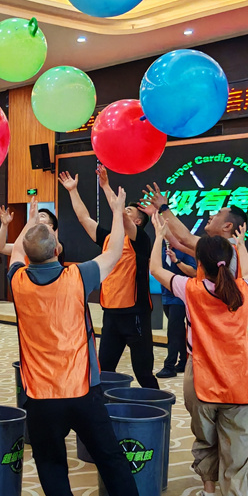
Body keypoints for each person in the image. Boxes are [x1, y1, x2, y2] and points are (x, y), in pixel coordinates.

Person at [10, 190, 163, 496]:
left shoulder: (16, 280)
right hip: (83, 392)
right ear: (58, 250)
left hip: (40, 397)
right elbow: (114, 251)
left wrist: (31, 221)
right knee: (111, 461)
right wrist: (117, 209)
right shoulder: (78, 275)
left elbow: (18, 250)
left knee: (51, 465)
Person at [141, 185, 248, 484]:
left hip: (220, 342)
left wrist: (164, 209)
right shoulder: (220, 253)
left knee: (233, 407)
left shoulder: (228, 250)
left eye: (218, 213)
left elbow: (185, 240)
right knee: (233, 405)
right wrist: (160, 221)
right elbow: (179, 241)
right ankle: (247, 463)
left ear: (228, 227)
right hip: (219, 343)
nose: (211, 214)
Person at [149, 213, 248, 496]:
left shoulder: (191, 289)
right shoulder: (242, 291)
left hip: (201, 381)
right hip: (238, 385)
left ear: (200, 263)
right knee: (237, 452)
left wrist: (158, 236)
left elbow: (155, 270)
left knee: (205, 440)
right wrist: (241, 246)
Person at [60, 166, 158, 389]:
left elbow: (120, 215)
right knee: (104, 370)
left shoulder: (140, 240)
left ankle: (155, 406)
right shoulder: (108, 238)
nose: (124, 212)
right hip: (111, 314)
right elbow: (84, 218)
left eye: (129, 211)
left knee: (143, 373)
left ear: (138, 222)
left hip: (135, 315)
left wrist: (105, 187)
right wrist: (72, 191)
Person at [157, 243, 196, 378]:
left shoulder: (185, 250)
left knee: (173, 331)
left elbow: (193, 271)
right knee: (178, 331)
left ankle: (169, 366)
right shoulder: (162, 249)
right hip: (166, 295)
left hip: (180, 296)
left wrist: (177, 261)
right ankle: (184, 361)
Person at [0, 204, 65, 262]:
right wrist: (4, 225)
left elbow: (57, 247)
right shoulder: (28, 245)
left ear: (50, 226)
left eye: (42, 216)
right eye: (36, 216)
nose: (37, 218)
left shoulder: (56, 245)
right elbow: (1, 248)